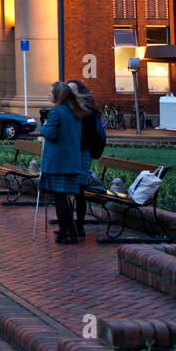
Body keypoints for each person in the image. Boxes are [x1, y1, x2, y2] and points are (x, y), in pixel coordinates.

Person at [39, 81, 86, 245]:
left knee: (60, 199)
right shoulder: (75, 112)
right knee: (64, 198)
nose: (49, 95)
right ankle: (69, 232)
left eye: (51, 92)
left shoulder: (56, 112)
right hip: (71, 161)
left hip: (58, 162)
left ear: (58, 95)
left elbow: (50, 133)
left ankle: (67, 233)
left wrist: (42, 127)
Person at [68, 79, 106, 239]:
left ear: (80, 92)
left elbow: (92, 135)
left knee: (80, 190)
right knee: (68, 190)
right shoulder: (69, 109)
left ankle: (79, 225)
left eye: (72, 90)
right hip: (71, 153)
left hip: (82, 153)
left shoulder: (87, 112)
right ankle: (69, 224)